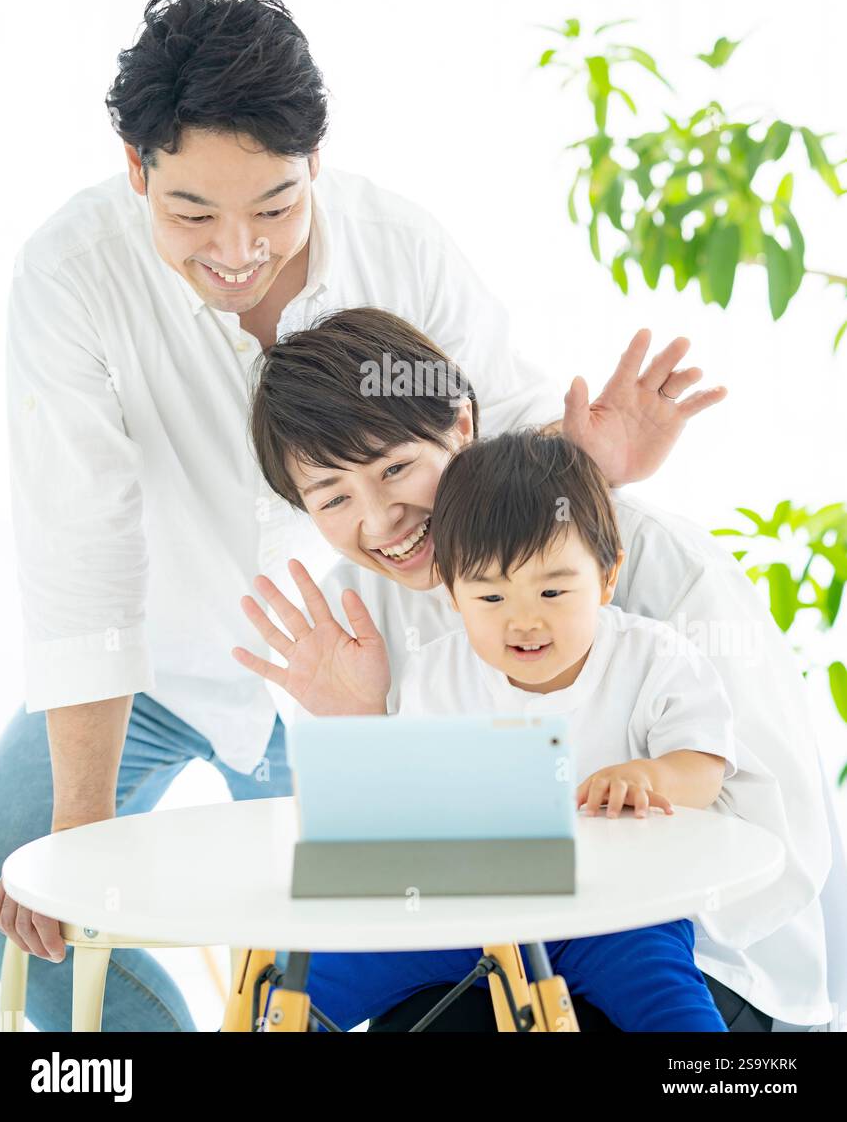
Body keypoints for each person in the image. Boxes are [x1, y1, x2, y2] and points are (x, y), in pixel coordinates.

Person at [0, 0, 716, 1031]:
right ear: (136, 169)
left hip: (363, 664)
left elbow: (498, 430)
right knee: (22, 887)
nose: (237, 250)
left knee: (342, 949)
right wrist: (79, 834)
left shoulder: (396, 243)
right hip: (150, 656)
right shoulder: (70, 274)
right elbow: (78, 546)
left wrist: (587, 463)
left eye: (274, 207)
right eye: (192, 211)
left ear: (314, 162)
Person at [234, 306, 833, 1031]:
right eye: (333, 497)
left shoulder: (657, 566)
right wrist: (361, 733)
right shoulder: (353, 614)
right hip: (473, 941)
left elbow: (780, 842)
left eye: (397, 468)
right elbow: (378, 870)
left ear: (461, 427)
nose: (382, 518)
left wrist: (612, 848)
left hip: (692, 945)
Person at [239, 428, 739, 1033]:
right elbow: (412, 791)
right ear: (451, 593)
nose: (524, 619)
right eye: (491, 596)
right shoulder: (439, 670)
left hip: (618, 915)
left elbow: (705, 765)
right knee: (308, 983)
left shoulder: (654, 657)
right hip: (462, 910)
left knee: (670, 1006)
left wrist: (649, 776)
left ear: (607, 578)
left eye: (553, 590)